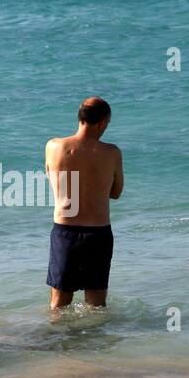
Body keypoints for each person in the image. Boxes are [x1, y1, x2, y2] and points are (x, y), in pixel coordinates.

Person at [44, 97, 123, 310]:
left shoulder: (53, 147)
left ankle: (57, 342)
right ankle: (94, 342)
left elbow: (52, 179)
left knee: (59, 304)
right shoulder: (112, 152)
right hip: (98, 234)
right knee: (96, 304)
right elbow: (115, 193)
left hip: (65, 231)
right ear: (103, 121)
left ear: (80, 117)